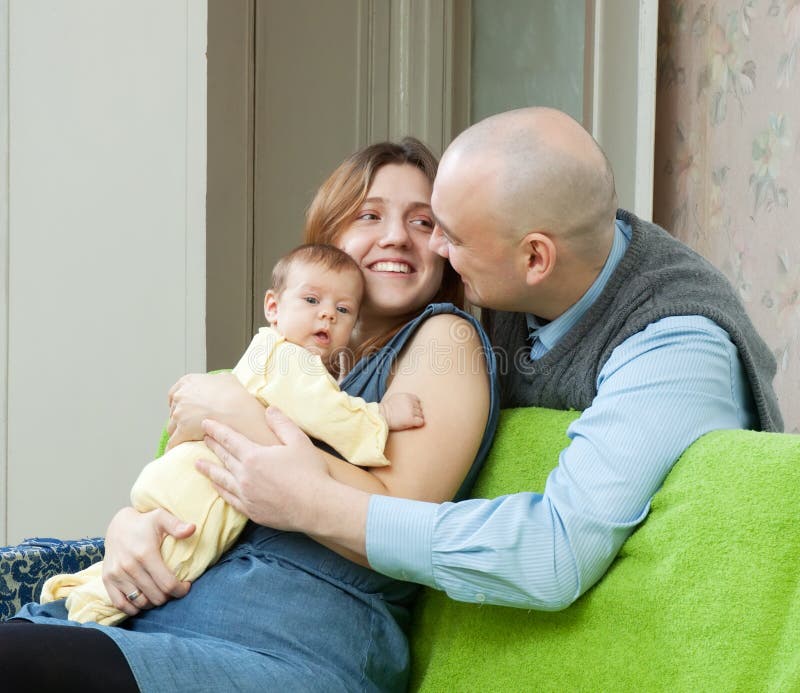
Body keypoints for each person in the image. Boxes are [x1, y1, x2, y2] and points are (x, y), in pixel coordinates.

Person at [177, 106, 782, 617]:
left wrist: (314, 501)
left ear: (535, 258)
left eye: (447, 235)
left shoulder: (674, 345)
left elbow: (554, 555)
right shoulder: (524, 271)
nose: (430, 248)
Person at [1, 138, 499, 692]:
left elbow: (403, 518)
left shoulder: (444, 337)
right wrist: (128, 527)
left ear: (448, 246)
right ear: (330, 238)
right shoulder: (294, 366)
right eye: (370, 215)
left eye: (424, 222)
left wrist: (240, 417)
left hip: (288, 646)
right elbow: (188, 482)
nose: (396, 236)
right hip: (156, 621)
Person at [39, 243, 428, 627]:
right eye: (312, 300)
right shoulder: (290, 359)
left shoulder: (265, 352)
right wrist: (381, 418)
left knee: (148, 554)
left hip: (182, 473)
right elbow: (329, 415)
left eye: (343, 310)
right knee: (174, 563)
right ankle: (88, 613)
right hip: (205, 490)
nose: (327, 314)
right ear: (273, 307)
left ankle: (70, 589)